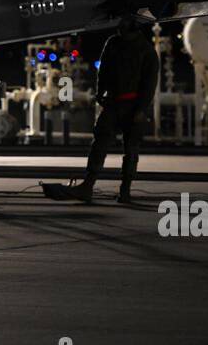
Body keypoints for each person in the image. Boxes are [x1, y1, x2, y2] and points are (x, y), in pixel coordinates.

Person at [48, 14, 159, 203]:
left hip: (132, 105)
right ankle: (88, 185)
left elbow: (149, 83)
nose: (120, 29)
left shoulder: (145, 50)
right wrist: (101, 93)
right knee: (99, 144)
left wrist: (141, 109)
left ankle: (124, 190)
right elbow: (105, 69)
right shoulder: (115, 44)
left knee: (130, 150)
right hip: (114, 103)